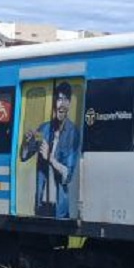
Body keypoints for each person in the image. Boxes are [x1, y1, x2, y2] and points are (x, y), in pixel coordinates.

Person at [19, 81, 84, 219]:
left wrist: (50, 158)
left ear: (70, 103)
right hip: (41, 207)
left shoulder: (73, 133)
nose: (62, 104)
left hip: (60, 210)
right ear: (54, 102)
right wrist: (26, 142)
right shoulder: (43, 129)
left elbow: (67, 175)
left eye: (66, 99)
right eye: (59, 99)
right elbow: (24, 156)